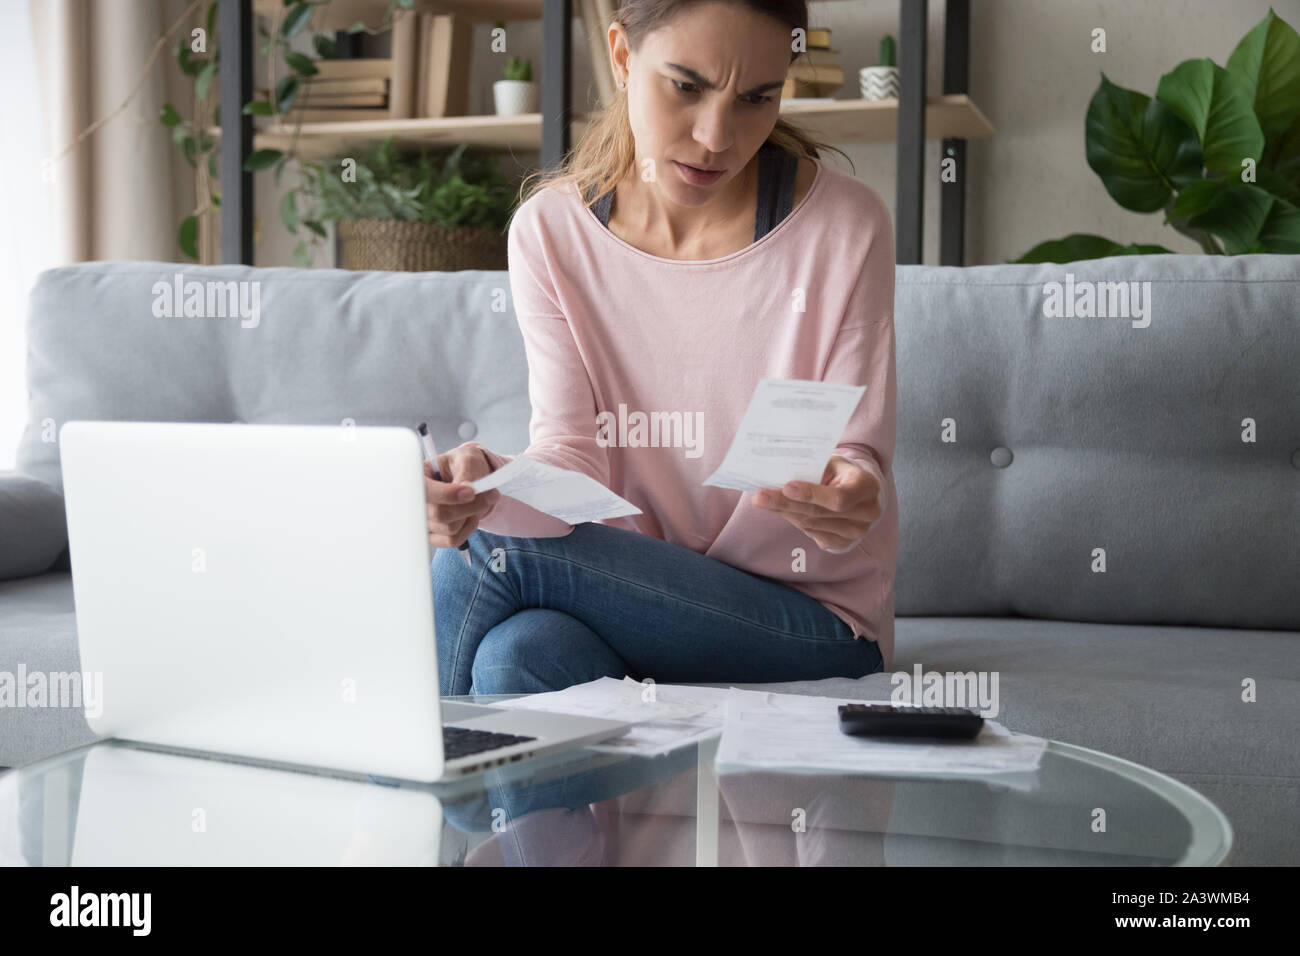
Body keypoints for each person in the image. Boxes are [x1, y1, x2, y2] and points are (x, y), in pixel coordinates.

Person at [428, 0, 898, 698]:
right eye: (686, 85)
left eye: (756, 98)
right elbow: (570, 458)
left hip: (808, 622)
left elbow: (853, 456)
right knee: (519, 654)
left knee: (487, 555)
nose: (717, 136)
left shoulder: (845, 226)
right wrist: (483, 488)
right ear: (622, 57)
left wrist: (853, 493)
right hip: (633, 598)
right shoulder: (550, 234)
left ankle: (390, 798)